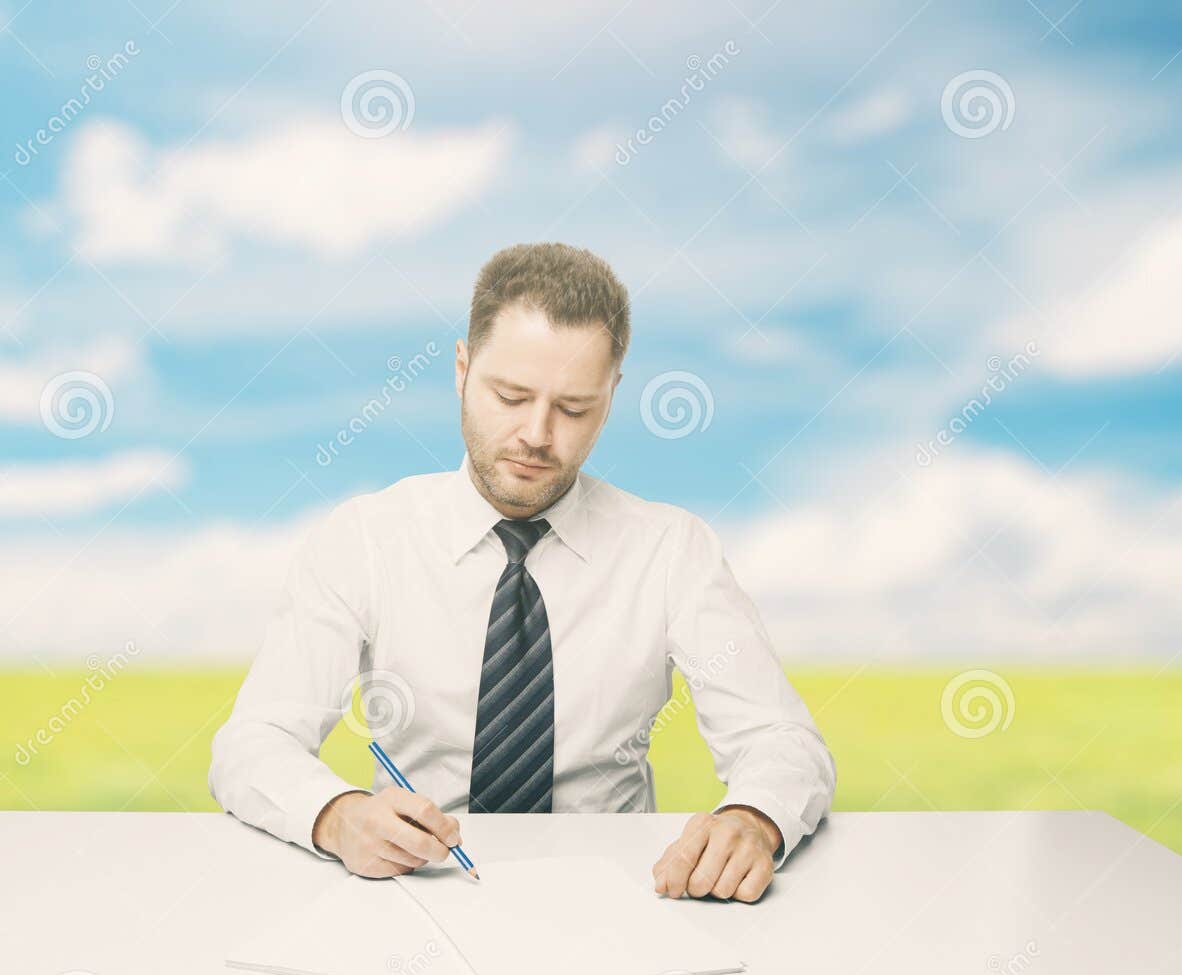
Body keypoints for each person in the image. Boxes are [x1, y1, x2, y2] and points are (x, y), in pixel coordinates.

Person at [209, 241, 835, 902]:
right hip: (416, 891)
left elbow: (781, 738)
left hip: (616, 900)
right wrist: (336, 817)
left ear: (612, 395)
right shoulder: (364, 540)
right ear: (462, 368)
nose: (537, 434)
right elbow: (252, 743)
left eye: (573, 408)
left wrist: (754, 817)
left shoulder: (672, 550)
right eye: (510, 395)